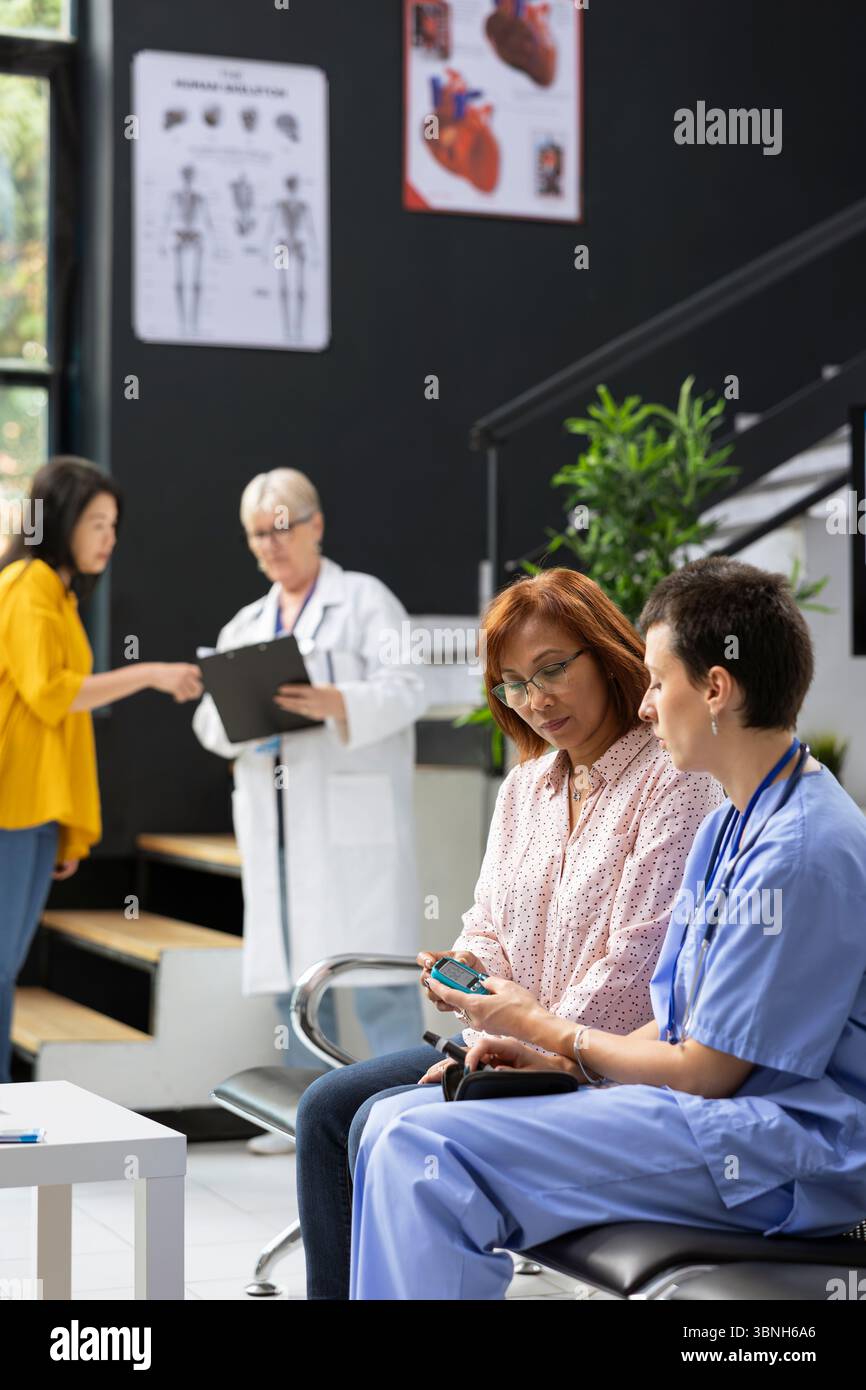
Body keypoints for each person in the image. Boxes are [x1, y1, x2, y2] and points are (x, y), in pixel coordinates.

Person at [347, 556, 866, 1300]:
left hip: (780, 1149)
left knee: (422, 1148)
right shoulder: (732, 824)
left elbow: (708, 1070)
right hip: (706, 1111)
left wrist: (550, 1032)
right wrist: (568, 1065)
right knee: (393, 1125)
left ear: (715, 689)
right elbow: (681, 1026)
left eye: (657, 682)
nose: (646, 707)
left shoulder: (802, 851)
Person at [295, 566, 722, 1298]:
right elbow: (489, 918)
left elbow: (637, 967)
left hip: (590, 1058)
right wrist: (463, 965)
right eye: (514, 685)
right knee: (327, 1109)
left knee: (374, 1119)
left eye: (553, 669)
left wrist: (532, 1040)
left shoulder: (671, 778)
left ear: (609, 652)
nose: (536, 700)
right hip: (504, 1044)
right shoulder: (529, 785)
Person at [192, 469, 429, 1151]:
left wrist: (337, 702)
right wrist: (246, 721)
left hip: (352, 823)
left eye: (281, 528)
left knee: (374, 976)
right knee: (290, 970)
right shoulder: (247, 624)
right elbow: (209, 724)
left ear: (316, 524)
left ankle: (402, 1107)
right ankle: (302, 1113)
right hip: (281, 824)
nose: (270, 545)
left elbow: (408, 688)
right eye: (257, 535)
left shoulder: (364, 601)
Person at [0, 457, 202, 1084]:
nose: (108, 538)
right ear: (60, 520)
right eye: (97, 523)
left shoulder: (55, 593)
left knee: (6, 967)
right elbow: (53, 694)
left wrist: (62, 824)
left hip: (33, 809)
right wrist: (151, 674)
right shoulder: (28, 583)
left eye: (113, 524)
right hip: (11, 805)